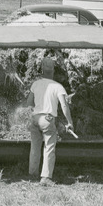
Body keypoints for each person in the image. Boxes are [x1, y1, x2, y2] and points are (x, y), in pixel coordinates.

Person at [26, 54, 75, 185]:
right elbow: (64, 106)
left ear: (42, 70)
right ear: (53, 71)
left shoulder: (35, 84)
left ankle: (32, 173)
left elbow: (29, 103)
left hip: (35, 118)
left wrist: (33, 113)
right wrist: (70, 122)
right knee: (49, 147)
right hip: (47, 119)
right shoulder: (57, 86)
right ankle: (46, 178)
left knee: (35, 147)